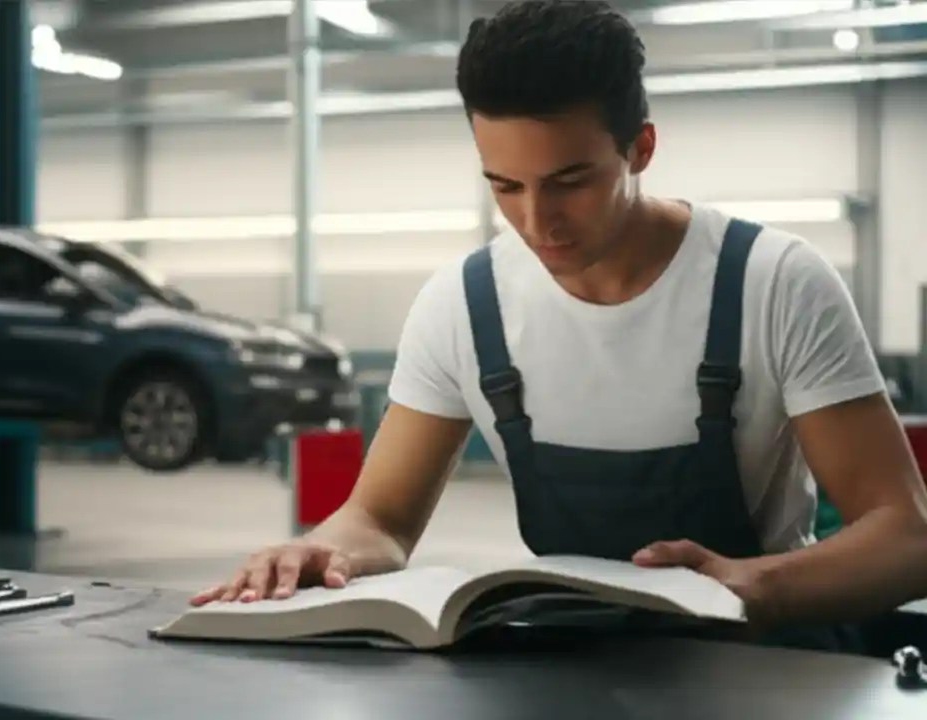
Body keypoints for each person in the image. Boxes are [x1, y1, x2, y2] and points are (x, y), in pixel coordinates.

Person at [190, 0, 927, 649]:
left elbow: (905, 536)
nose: (537, 223)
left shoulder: (774, 284)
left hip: (766, 665)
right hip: (565, 669)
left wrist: (756, 589)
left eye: (569, 182)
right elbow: (379, 518)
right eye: (504, 186)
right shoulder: (463, 305)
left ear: (640, 148)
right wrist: (324, 552)